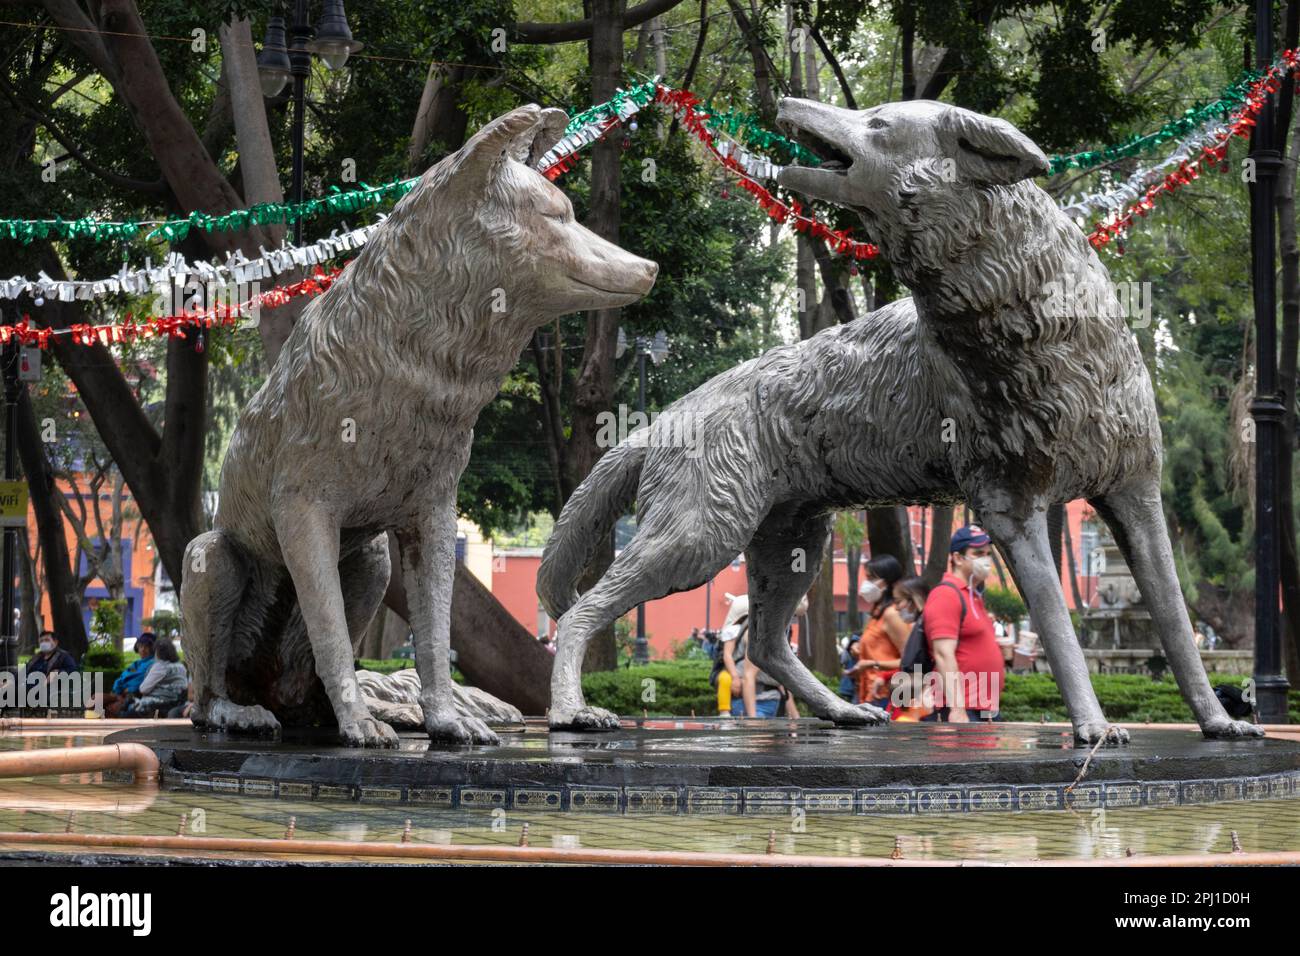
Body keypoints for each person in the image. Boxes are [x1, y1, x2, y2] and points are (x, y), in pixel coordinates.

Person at [922, 525, 1006, 722]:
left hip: (982, 709)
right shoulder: (947, 594)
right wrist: (957, 709)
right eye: (977, 553)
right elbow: (943, 653)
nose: (985, 559)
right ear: (958, 558)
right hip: (962, 711)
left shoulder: (971, 595)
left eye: (987, 554)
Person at [851, 555, 910, 709]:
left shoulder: (892, 614)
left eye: (871, 578)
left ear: (888, 581)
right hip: (868, 694)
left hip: (885, 695)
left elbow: (909, 660)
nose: (866, 584)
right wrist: (859, 648)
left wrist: (872, 664)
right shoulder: (877, 612)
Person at [888, 576, 933, 721]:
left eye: (898, 602)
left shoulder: (927, 624)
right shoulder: (920, 624)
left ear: (914, 599)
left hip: (920, 704)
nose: (895, 607)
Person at [92, 633, 157, 717]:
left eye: (146, 647)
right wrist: (116, 692)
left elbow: (138, 683)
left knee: (108, 707)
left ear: (152, 649)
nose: (143, 650)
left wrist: (123, 691)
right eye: (140, 646)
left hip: (132, 697)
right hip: (118, 694)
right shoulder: (136, 663)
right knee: (94, 700)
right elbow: (121, 679)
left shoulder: (152, 664)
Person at [125, 638, 188, 717]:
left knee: (127, 712)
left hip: (158, 703)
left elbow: (143, 689)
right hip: (176, 702)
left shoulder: (161, 666)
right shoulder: (181, 666)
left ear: (158, 652)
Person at [838, 635, 860, 702]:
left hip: (851, 685)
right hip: (849, 684)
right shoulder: (848, 654)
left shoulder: (847, 652)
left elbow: (842, 662)